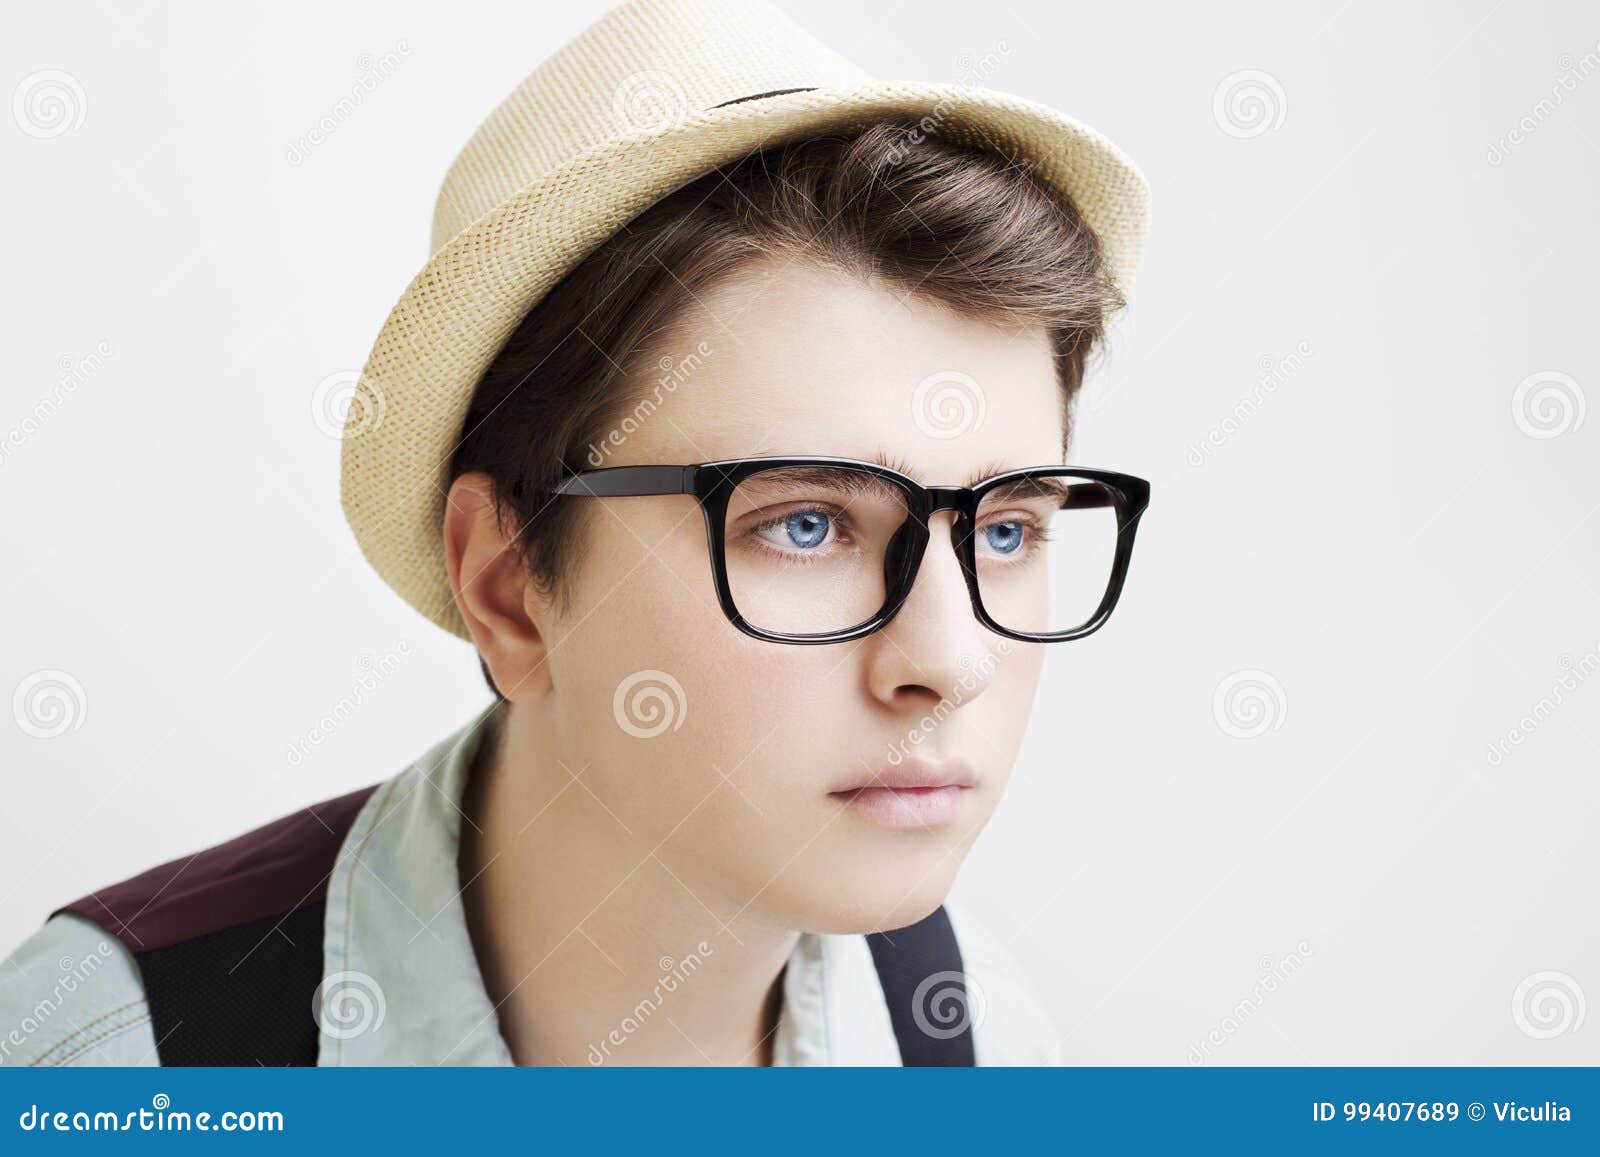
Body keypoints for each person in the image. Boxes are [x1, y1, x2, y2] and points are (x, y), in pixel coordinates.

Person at [0, 0, 1150, 1066]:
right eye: (805, 523)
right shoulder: (116, 1054)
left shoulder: (977, 1037)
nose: (948, 661)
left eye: (1004, 529)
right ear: (507, 585)